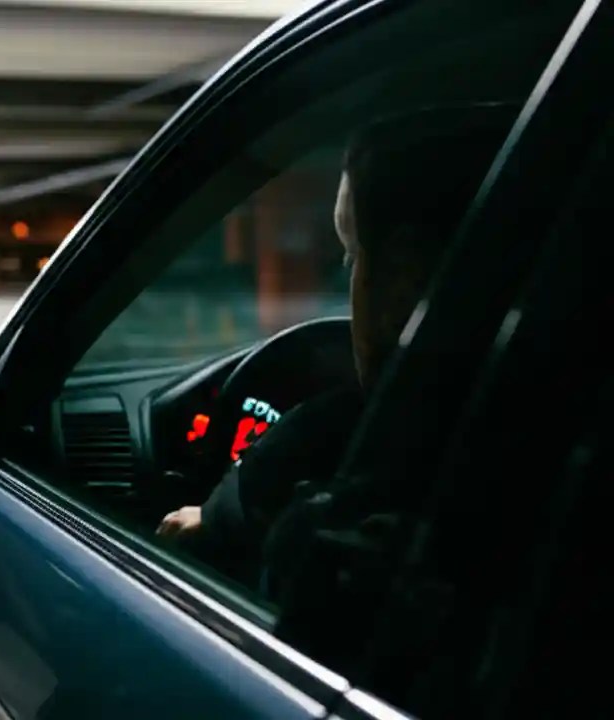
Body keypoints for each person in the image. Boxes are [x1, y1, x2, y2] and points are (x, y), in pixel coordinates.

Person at [155, 104, 519, 590]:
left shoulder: (345, 519)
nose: (350, 281)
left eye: (352, 256)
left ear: (404, 281)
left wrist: (219, 516)